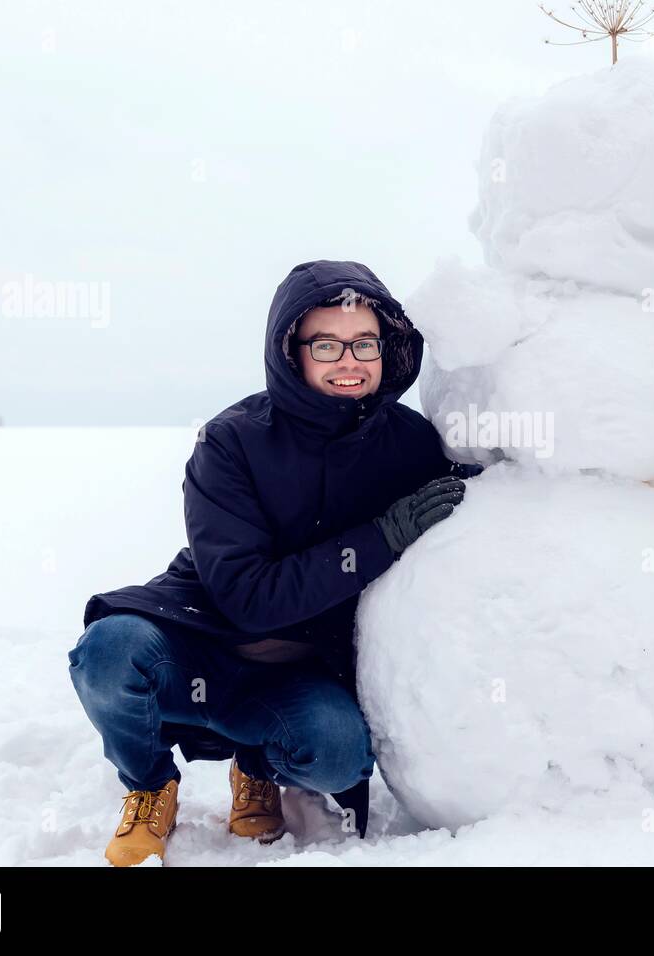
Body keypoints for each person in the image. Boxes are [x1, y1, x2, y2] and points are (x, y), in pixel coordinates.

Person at [69, 260, 471, 866]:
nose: (349, 360)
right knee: (108, 653)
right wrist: (382, 536)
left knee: (336, 753)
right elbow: (248, 597)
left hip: (301, 667)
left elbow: (485, 503)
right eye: (327, 344)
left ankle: (256, 766)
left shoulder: (412, 445)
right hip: (198, 635)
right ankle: (151, 787)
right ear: (291, 350)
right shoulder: (231, 441)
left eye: (364, 342)